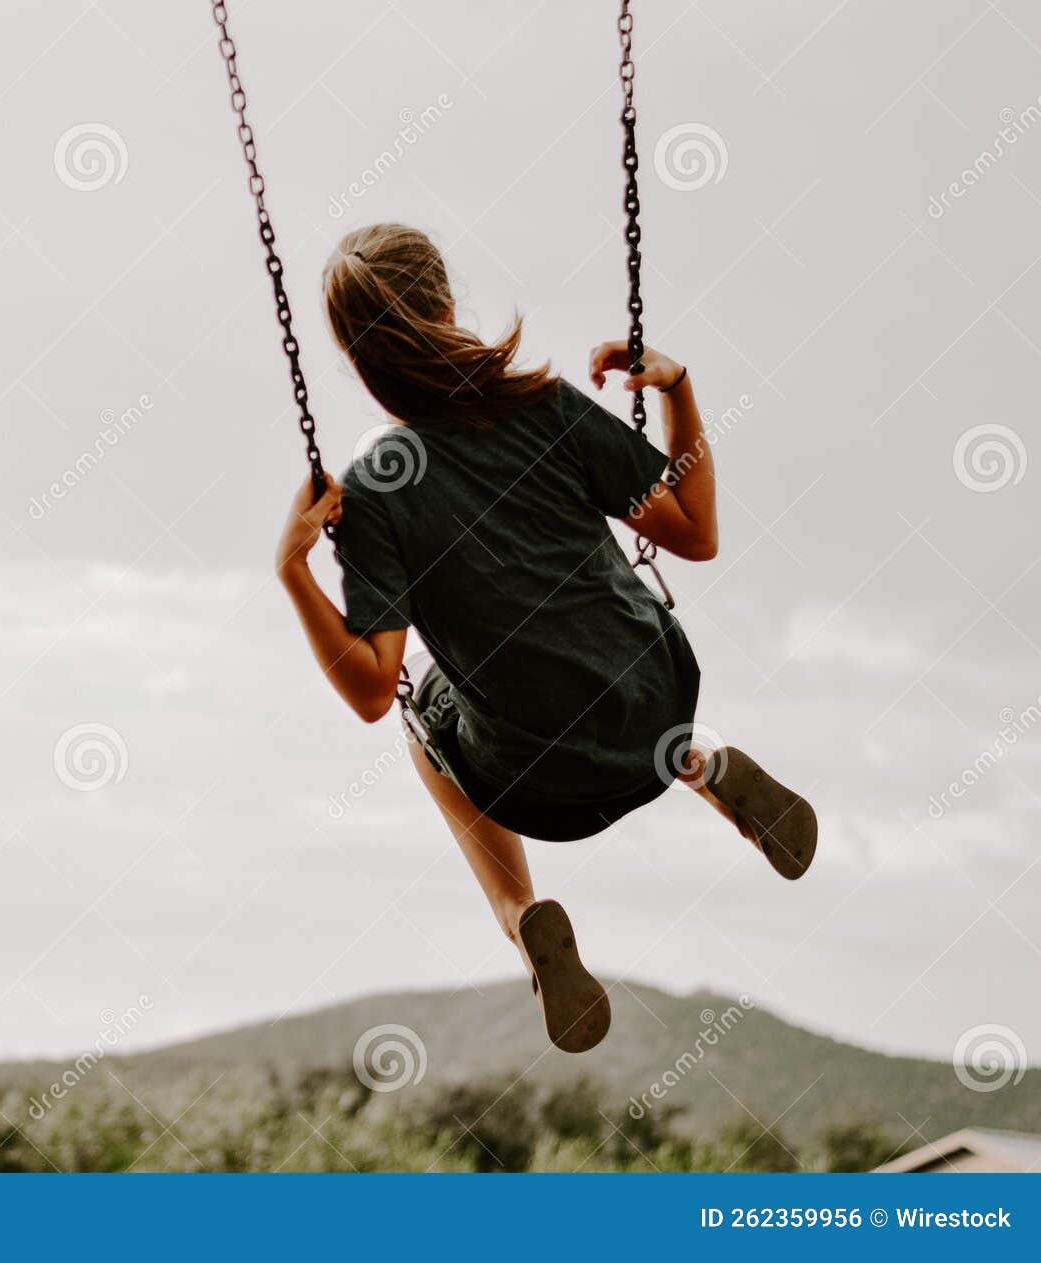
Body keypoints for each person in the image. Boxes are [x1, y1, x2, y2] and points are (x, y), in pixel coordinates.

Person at [274, 223, 817, 1054]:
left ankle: (522, 917)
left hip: (533, 780)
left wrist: (294, 569)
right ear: (450, 306)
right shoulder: (546, 406)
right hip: (656, 695)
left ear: (355, 359)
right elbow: (697, 532)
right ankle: (701, 761)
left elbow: (371, 692)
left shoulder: (374, 492)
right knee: (615, 666)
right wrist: (678, 390)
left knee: (419, 712)